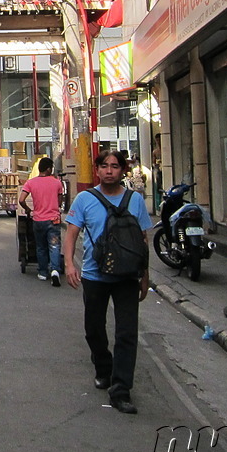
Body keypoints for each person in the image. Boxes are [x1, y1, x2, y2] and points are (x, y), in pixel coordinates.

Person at [62, 149, 154, 415]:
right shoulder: (84, 199)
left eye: (115, 166)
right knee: (94, 328)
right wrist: (69, 264)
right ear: (98, 170)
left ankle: (121, 388)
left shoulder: (135, 200)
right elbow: (71, 234)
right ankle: (103, 367)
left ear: (123, 170)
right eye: (105, 166)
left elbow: (142, 239)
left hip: (126, 275)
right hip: (94, 274)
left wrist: (144, 275)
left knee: (127, 333)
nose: (110, 170)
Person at [18, 157, 64, 286]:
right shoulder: (56, 183)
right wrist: (56, 208)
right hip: (53, 220)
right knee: (54, 245)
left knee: (41, 247)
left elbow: (21, 199)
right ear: (49, 169)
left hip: (38, 220)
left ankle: (43, 272)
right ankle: (55, 270)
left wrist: (28, 210)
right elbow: (60, 200)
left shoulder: (31, 183)